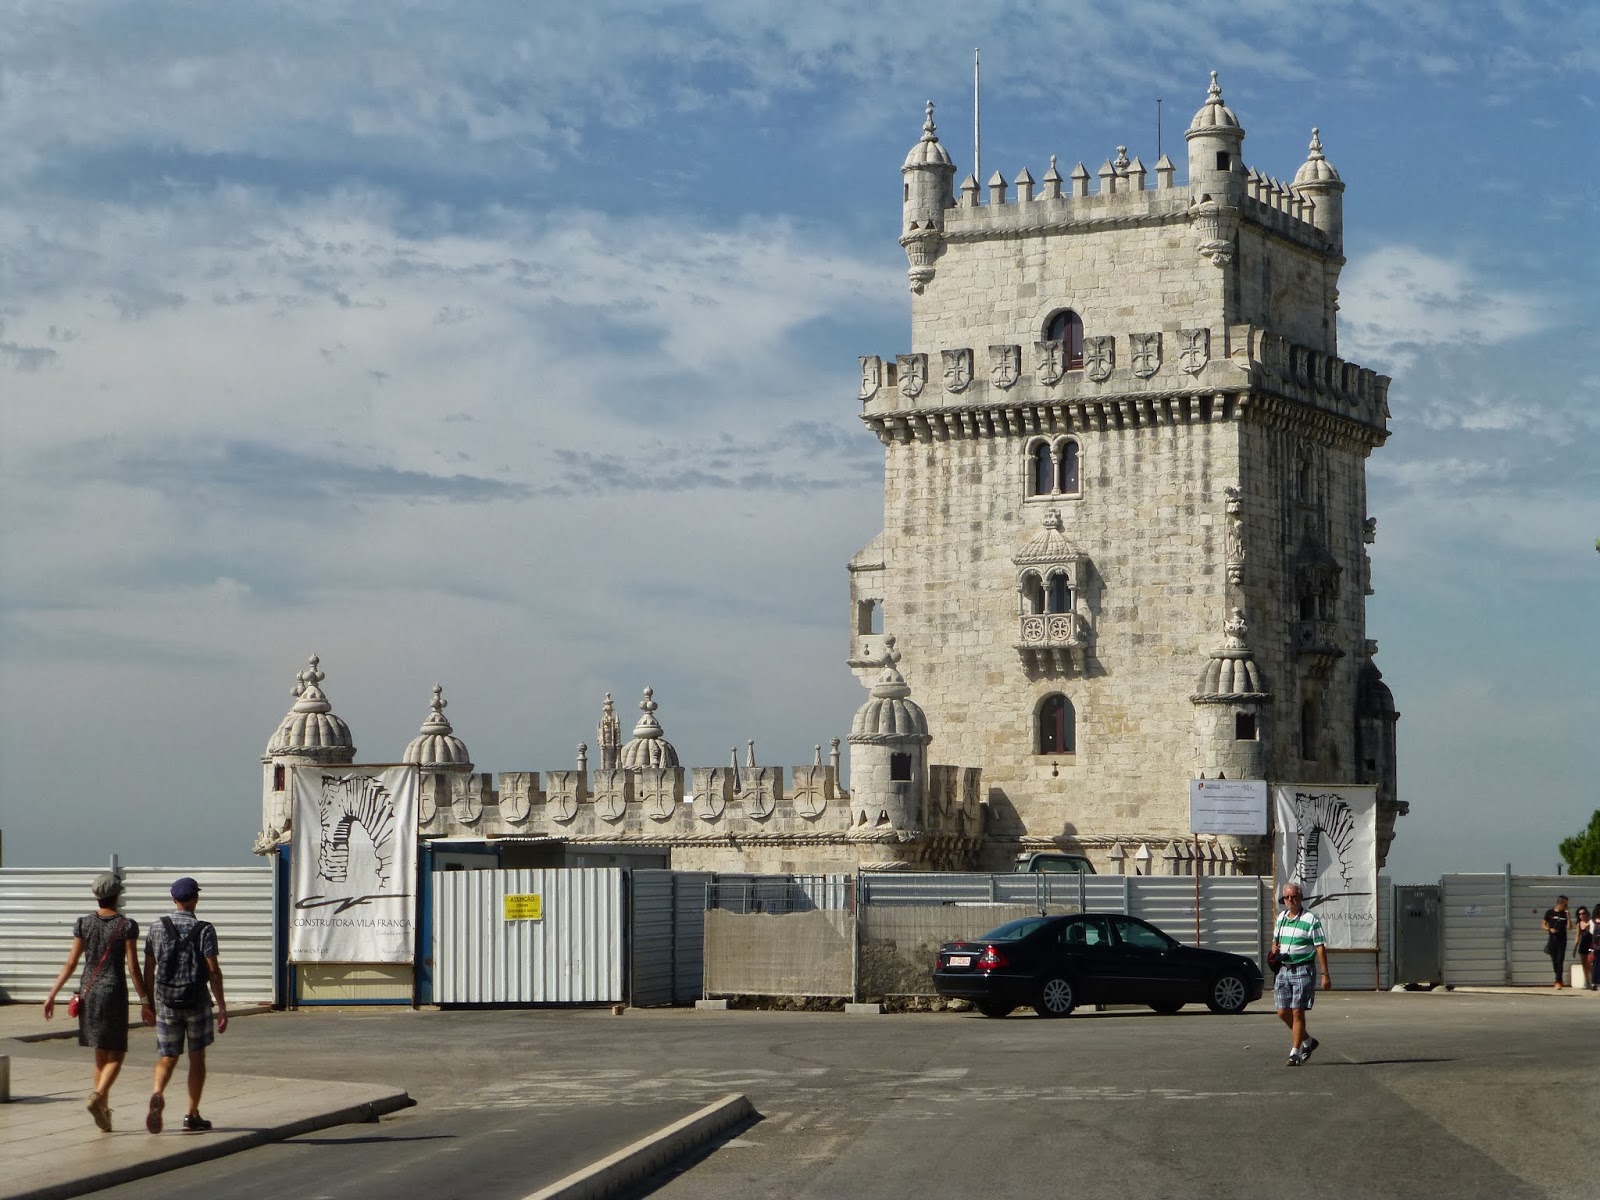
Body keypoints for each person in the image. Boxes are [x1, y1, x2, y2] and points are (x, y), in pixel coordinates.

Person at [41, 871, 155, 1132]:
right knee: (117, 1052)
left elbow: (71, 963)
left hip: (88, 992)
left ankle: (104, 1110)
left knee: (99, 1053)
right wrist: (145, 1001)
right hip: (113, 992)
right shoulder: (126, 926)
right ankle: (98, 1097)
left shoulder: (83, 923)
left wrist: (52, 995)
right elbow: (133, 968)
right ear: (117, 897)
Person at [141, 876, 227, 1133]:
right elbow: (213, 971)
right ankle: (192, 1115)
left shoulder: (157, 927)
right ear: (196, 899)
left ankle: (158, 1091)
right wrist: (222, 1006)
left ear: (173, 899)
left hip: (166, 1002)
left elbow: (148, 968)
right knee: (196, 1057)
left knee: (167, 1056)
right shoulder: (205, 929)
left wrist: (147, 1002)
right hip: (196, 1001)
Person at [1271, 882, 1331, 1067]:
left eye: (1294, 896)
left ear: (1301, 897)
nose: (1290, 900)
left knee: (1298, 1011)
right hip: (1283, 969)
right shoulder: (1281, 917)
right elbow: (1275, 941)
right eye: (1287, 897)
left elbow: (1319, 947)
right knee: (1283, 1012)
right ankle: (1308, 1041)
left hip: (1303, 969)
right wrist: (1274, 948)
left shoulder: (1310, 919)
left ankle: (1295, 1053)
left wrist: (1325, 974)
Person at [1541, 896, 1569, 989]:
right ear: (1559, 904)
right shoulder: (1549, 913)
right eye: (1565, 905)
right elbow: (1543, 925)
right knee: (1555, 961)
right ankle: (1558, 978)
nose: (1566, 907)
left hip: (1562, 940)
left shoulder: (1564, 914)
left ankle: (1558, 981)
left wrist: (1568, 917)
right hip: (1553, 940)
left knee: (1560, 960)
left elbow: (1569, 927)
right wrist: (1549, 929)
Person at [1574, 907, 1593, 991]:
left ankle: (1595, 979)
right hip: (1583, 944)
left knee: (1589, 963)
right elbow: (1577, 936)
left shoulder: (1591, 922)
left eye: (1583, 913)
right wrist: (1575, 948)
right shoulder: (1579, 924)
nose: (1581, 915)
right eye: (1580, 914)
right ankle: (1587, 982)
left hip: (1591, 944)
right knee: (1584, 964)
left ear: (1587, 913)